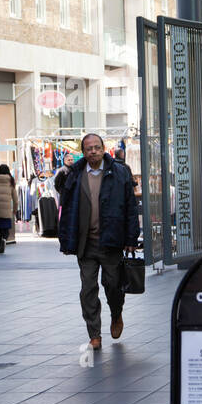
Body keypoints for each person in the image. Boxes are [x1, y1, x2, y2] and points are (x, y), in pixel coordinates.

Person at [57, 133, 139, 350]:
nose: (93, 151)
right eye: (88, 148)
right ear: (83, 153)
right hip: (86, 243)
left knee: (113, 285)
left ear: (104, 149)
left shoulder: (119, 172)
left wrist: (131, 237)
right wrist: (66, 239)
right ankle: (94, 334)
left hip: (111, 241)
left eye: (96, 147)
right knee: (88, 289)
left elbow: (131, 207)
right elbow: (66, 208)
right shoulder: (74, 174)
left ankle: (116, 313)